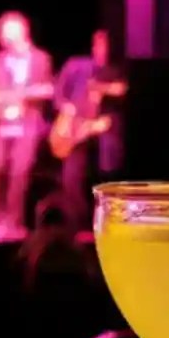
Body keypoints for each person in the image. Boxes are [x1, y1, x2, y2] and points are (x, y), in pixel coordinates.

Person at [0, 12, 52, 231]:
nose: (6, 38)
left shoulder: (40, 58)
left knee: (19, 169)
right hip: (1, 122)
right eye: (2, 33)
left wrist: (22, 95)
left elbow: (47, 89)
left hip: (28, 122)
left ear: (24, 31)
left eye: (10, 32)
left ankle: (14, 219)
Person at [54, 30, 125, 226]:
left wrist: (104, 92)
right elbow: (59, 94)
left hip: (105, 133)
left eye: (108, 46)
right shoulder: (77, 67)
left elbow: (122, 93)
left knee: (105, 174)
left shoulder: (118, 71)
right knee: (71, 178)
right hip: (77, 130)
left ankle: (104, 223)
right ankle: (78, 223)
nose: (103, 50)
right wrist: (67, 112)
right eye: (100, 45)